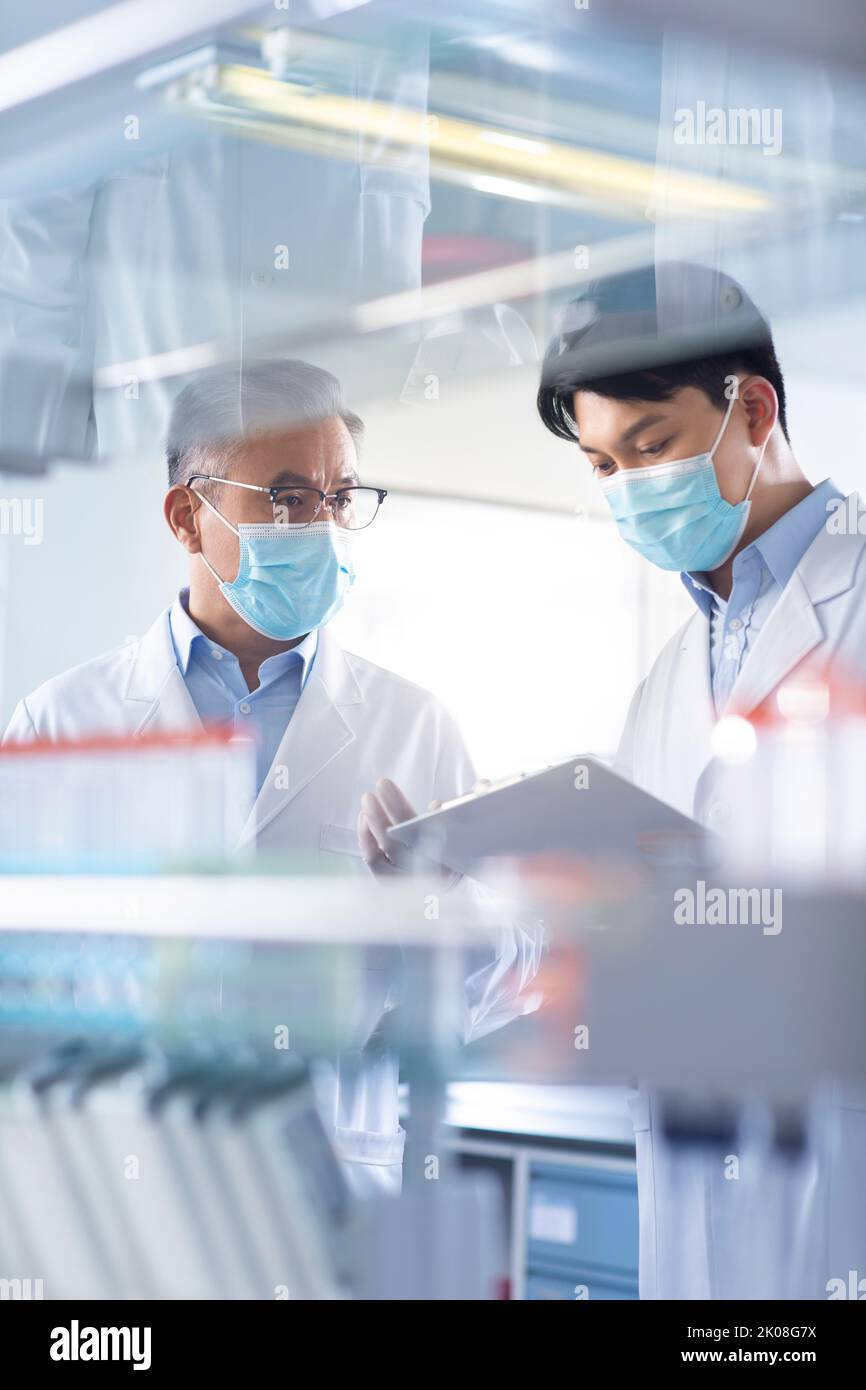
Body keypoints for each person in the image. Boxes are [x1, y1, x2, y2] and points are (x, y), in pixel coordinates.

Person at [3, 356, 542, 1192]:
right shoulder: (62, 723)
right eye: (288, 498)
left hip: (336, 1177)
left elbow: (509, 983)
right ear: (188, 516)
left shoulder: (414, 726)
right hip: (118, 1186)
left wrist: (443, 913)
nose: (321, 525)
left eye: (339, 497)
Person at [536, 261, 866, 1299]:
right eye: (600, 464)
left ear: (751, 407)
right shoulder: (670, 676)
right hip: (695, 1159)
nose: (629, 487)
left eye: (650, 445)